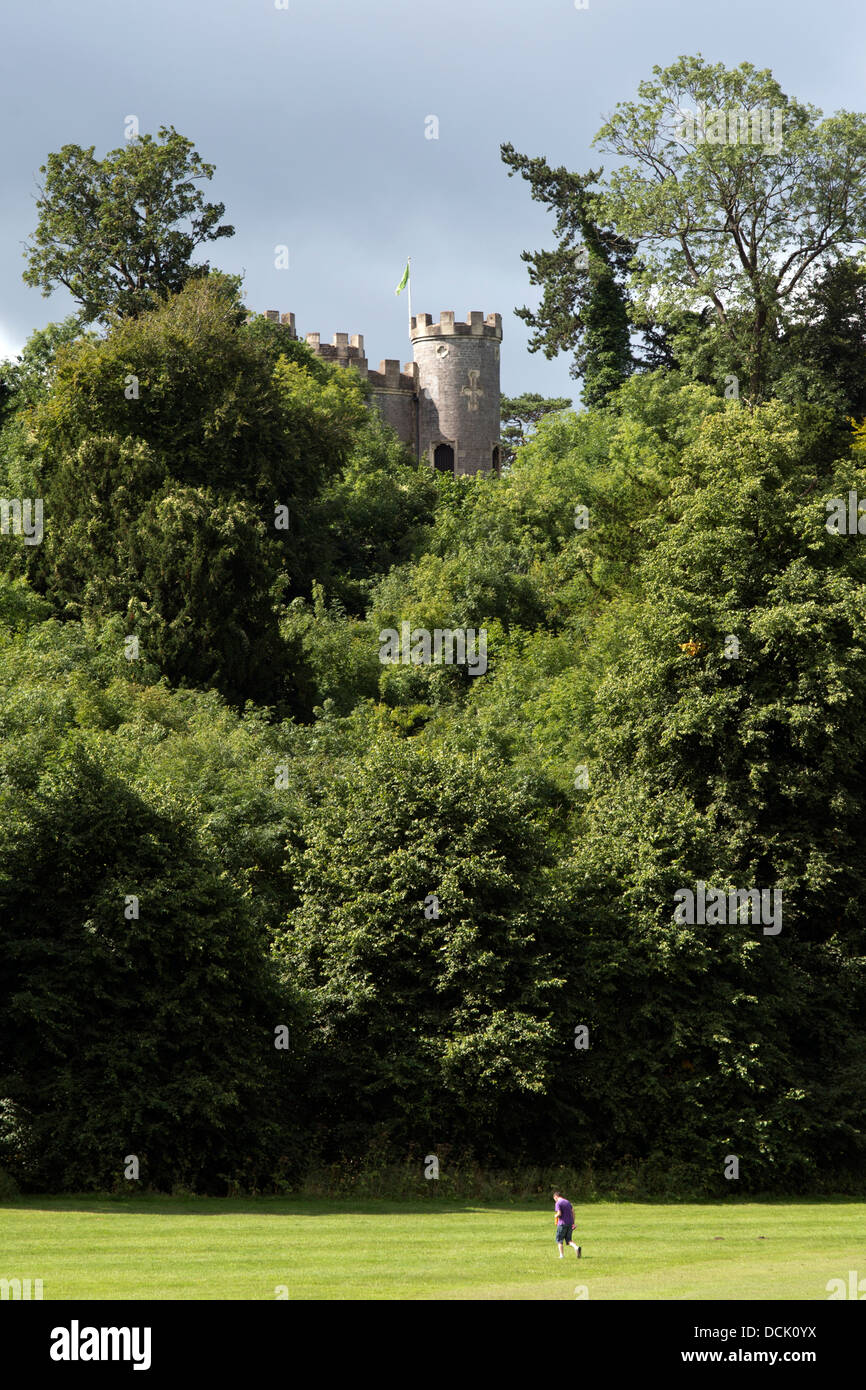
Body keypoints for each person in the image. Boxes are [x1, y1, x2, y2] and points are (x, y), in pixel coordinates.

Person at [552, 1190, 581, 1259]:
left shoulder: (558, 1203)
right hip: (570, 1223)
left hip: (562, 1224)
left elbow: (559, 1214)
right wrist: (573, 1223)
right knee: (569, 1240)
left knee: (559, 1240)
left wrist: (555, 1216)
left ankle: (561, 1255)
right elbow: (573, 1212)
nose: (555, 1201)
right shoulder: (567, 1202)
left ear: (556, 1197)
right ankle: (576, 1247)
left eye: (554, 1199)